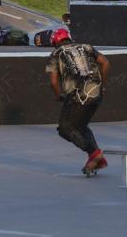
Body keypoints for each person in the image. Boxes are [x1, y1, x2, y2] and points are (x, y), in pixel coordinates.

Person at [45, 28, 111, 176]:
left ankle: (94, 154)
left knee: (65, 129)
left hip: (78, 95)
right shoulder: (86, 47)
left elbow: (53, 82)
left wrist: (58, 95)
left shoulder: (55, 54)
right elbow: (106, 63)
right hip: (97, 93)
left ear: (55, 42)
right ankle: (96, 158)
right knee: (80, 126)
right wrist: (102, 85)